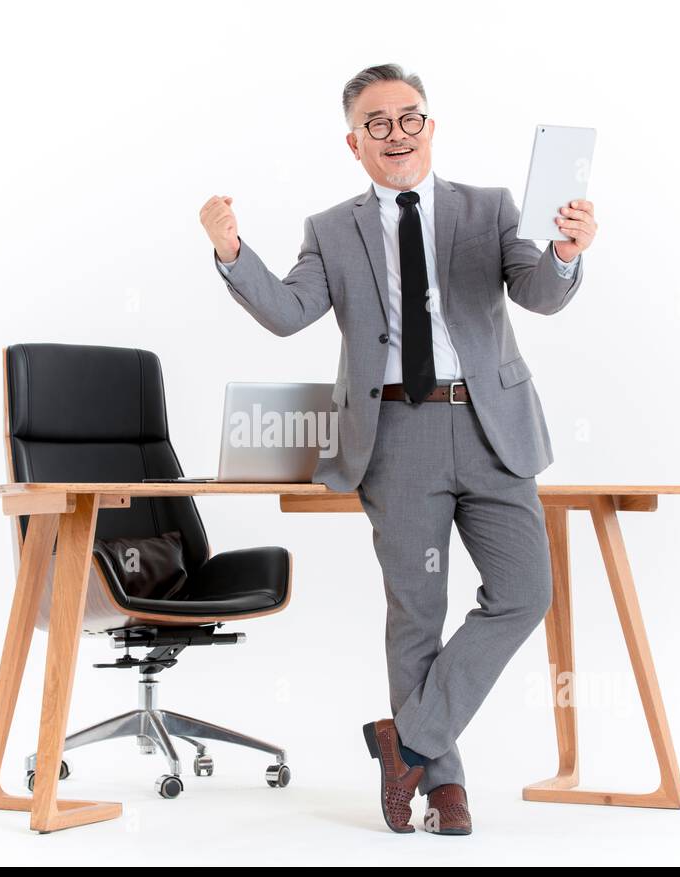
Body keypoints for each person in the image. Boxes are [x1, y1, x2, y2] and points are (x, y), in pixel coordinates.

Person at [199, 63, 597, 835]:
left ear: (430, 126)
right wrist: (231, 251)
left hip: (492, 430)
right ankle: (443, 787)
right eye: (377, 123)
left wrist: (567, 252)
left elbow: (538, 295)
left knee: (523, 594)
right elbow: (288, 313)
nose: (396, 133)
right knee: (416, 613)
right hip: (398, 434)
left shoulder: (489, 209)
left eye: (409, 117)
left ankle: (407, 741)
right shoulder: (331, 228)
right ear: (355, 143)